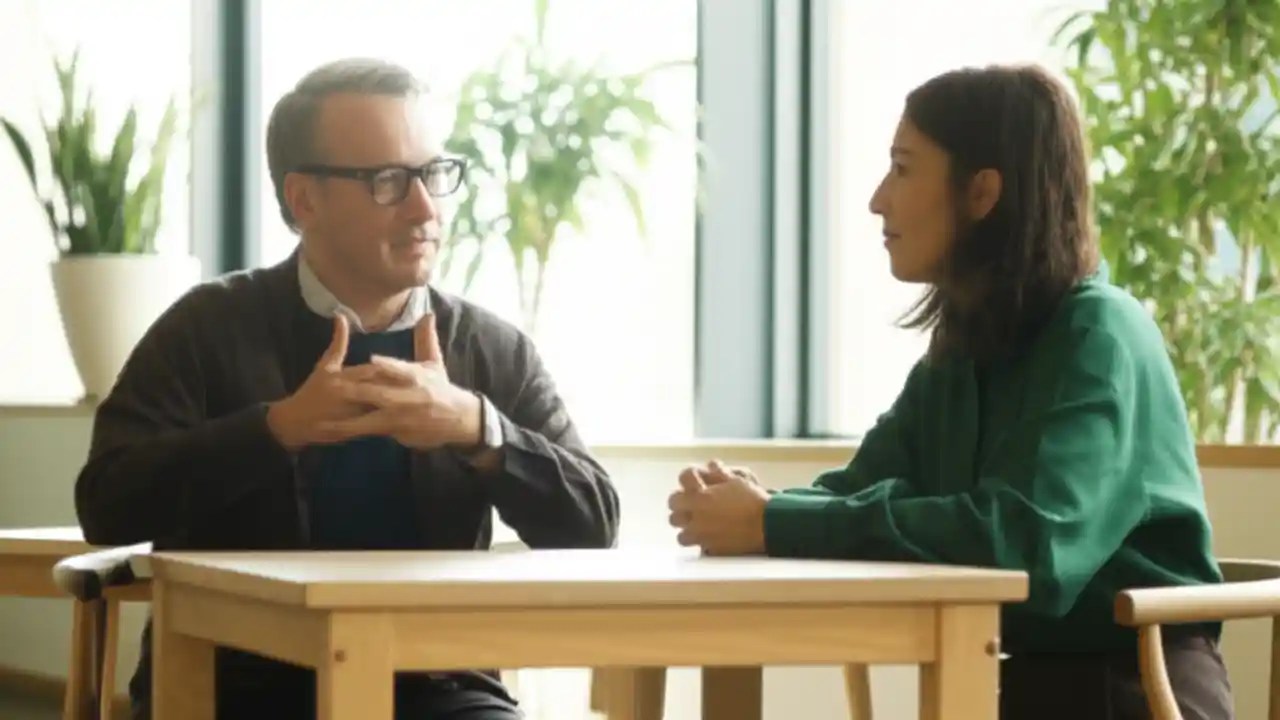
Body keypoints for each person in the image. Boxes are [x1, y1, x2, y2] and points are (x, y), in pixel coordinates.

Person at [667, 64, 1232, 720]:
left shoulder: (1097, 334)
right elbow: (859, 489)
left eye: (903, 168)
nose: (878, 199)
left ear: (982, 192)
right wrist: (756, 505)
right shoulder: (961, 351)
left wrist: (773, 520)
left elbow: (1026, 550)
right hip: (1003, 686)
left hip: (1126, 694)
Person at [75, 57, 619, 720]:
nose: (425, 208)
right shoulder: (206, 327)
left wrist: (477, 430)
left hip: (436, 689)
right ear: (304, 200)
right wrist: (276, 429)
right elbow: (107, 503)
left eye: (434, 174)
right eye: (388, 181)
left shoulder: (489, 348)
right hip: (230, 689)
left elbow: (594, 524)